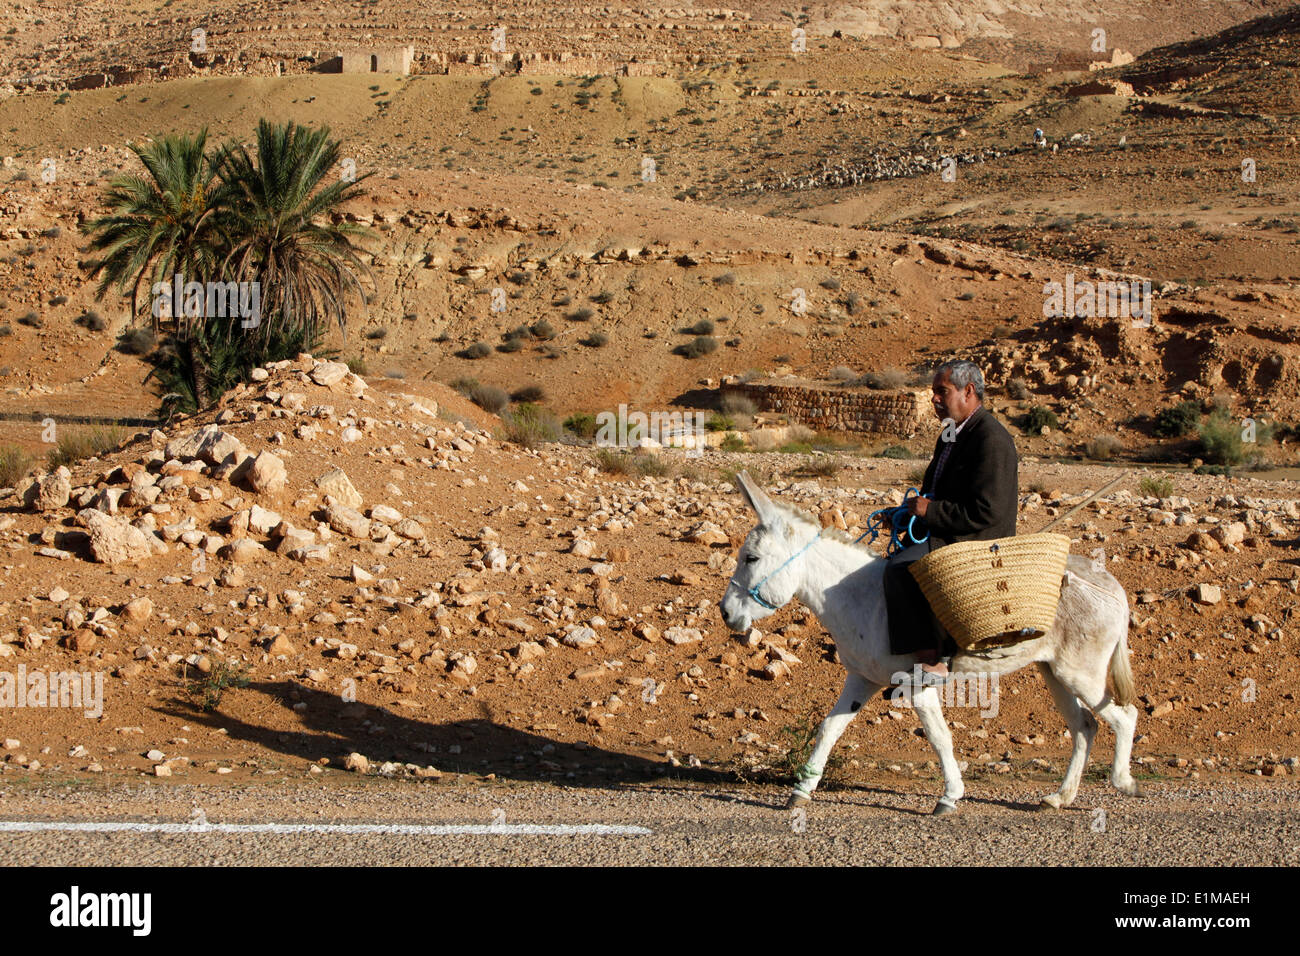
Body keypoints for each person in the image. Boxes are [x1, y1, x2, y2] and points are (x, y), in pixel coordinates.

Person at [883, 360, 1018, 681]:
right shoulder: (950, 435)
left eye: (942, 392)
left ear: (968, 392)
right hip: (947, 529)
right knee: (895, 556)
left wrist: (930, 512)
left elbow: (988, 511)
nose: (934, 399)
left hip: (979, 539)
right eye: (933, 393)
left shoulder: (992, 439)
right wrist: (904, 513)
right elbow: (933, 489)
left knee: (901, 569)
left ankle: (936, 658)